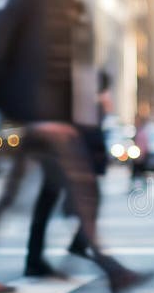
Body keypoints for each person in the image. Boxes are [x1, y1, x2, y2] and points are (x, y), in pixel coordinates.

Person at [0, 0, 140, 293]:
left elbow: (76, 66)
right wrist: (27, 112)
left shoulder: (70, 2)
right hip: (45, 121)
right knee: (82, 189)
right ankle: (110, 267)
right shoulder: (34, 1)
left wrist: (95, 94)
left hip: (55, 121)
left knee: (21, 194)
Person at [23, 69, 114, 277]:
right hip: (64, 160)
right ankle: (69, 247)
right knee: (85, 204)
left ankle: (37, 257)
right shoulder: (86, 105)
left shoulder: (78, 100)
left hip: (56, 159)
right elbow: (90, 136)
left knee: (46, 206)